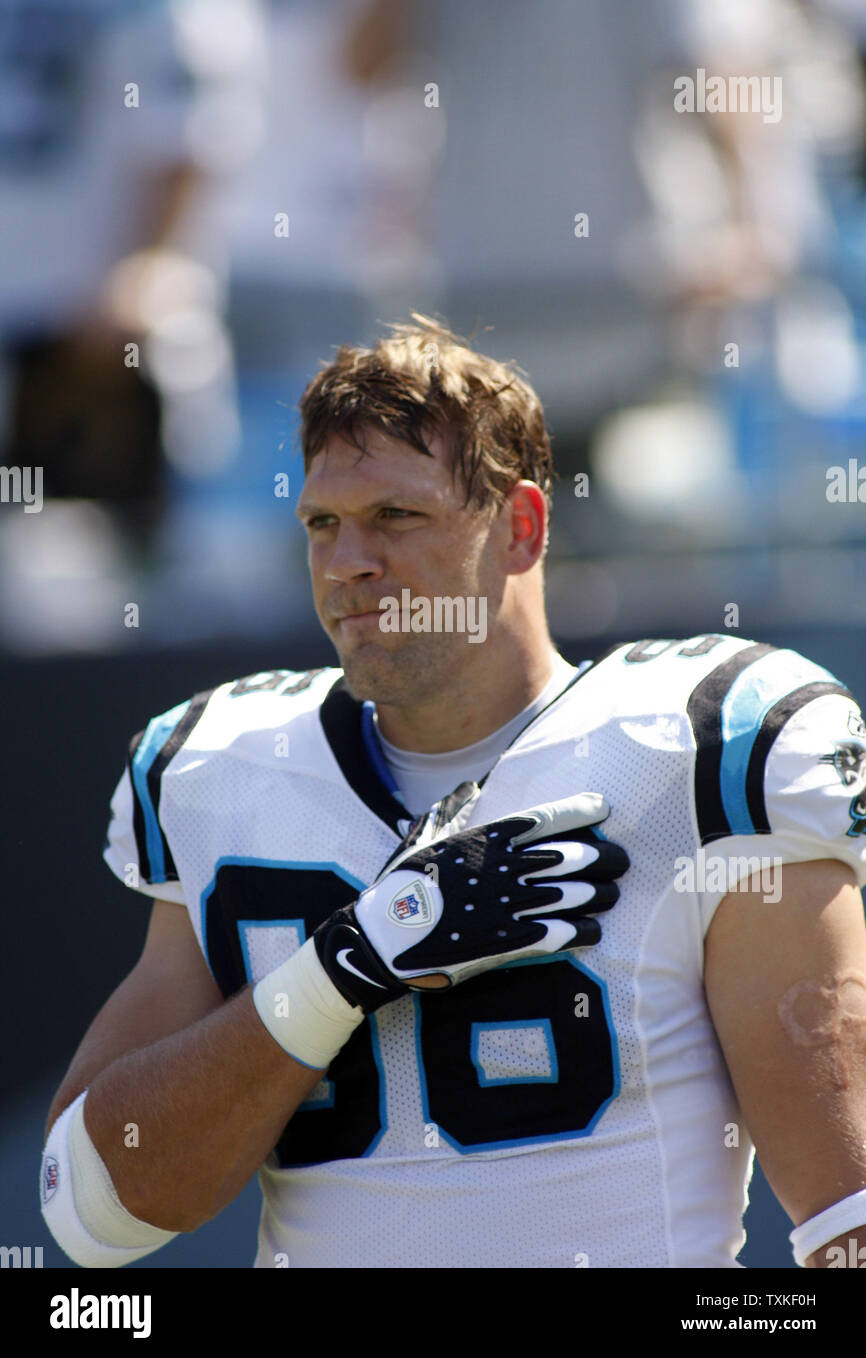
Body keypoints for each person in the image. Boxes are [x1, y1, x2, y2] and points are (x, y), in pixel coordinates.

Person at [41, 315, 866, 1268]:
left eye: (396, 516)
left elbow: (844, 1219)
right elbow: (90, 1213)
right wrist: (352, 960)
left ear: (519, 528)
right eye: (321, 522)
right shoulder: (219, 767)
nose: (348, 561)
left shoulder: (708, 751)